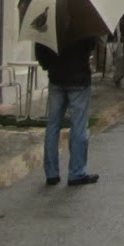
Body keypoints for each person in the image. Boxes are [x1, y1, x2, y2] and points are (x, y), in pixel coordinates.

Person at [36, 36, 99, 187]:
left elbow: (40, 47)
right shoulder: (83, 20)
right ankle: (76, 173)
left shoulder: (52, 19)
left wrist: (49, 65)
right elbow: (90, 44)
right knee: (79, 124)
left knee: (53, 125)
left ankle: (51, 173)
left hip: (56, 77)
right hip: (78, 78)